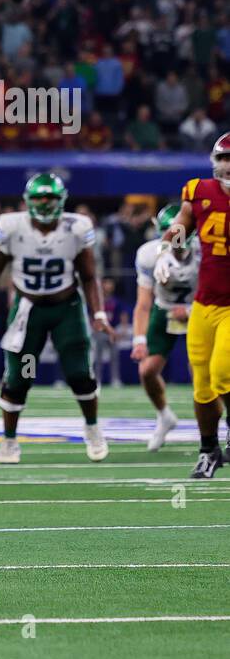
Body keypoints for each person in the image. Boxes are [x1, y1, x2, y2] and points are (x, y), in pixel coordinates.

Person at [0, 173, 113, 465]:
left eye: (50, 197)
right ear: (27, 201)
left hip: (66, 308)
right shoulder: (11, 226)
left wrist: (98, 313)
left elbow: (88, 276)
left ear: (62, 200)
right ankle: (9, 441)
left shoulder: (77, 227)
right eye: (38, 197)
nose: (44, 203)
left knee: (79, 374)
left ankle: (92, 428)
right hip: (28, 310)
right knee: (20, 377)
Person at [163, 133, 230, 478]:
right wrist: (167, 250)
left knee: (223, 373)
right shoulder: (199, 190)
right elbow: (181, 226)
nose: (227, 166)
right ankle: (209, 450)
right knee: (202, 385)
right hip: (205, 302)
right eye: (224, 159)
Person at [132, 204, 198, 452]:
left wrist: (190, 311)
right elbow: (143, 303)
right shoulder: (149, 254)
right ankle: (164, 416)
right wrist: (139, 340)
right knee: (147, 371)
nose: (177, 242)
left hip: (201, 309)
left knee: (200, 374)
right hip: (164, 309)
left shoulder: (205, 251)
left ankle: (212, 429)